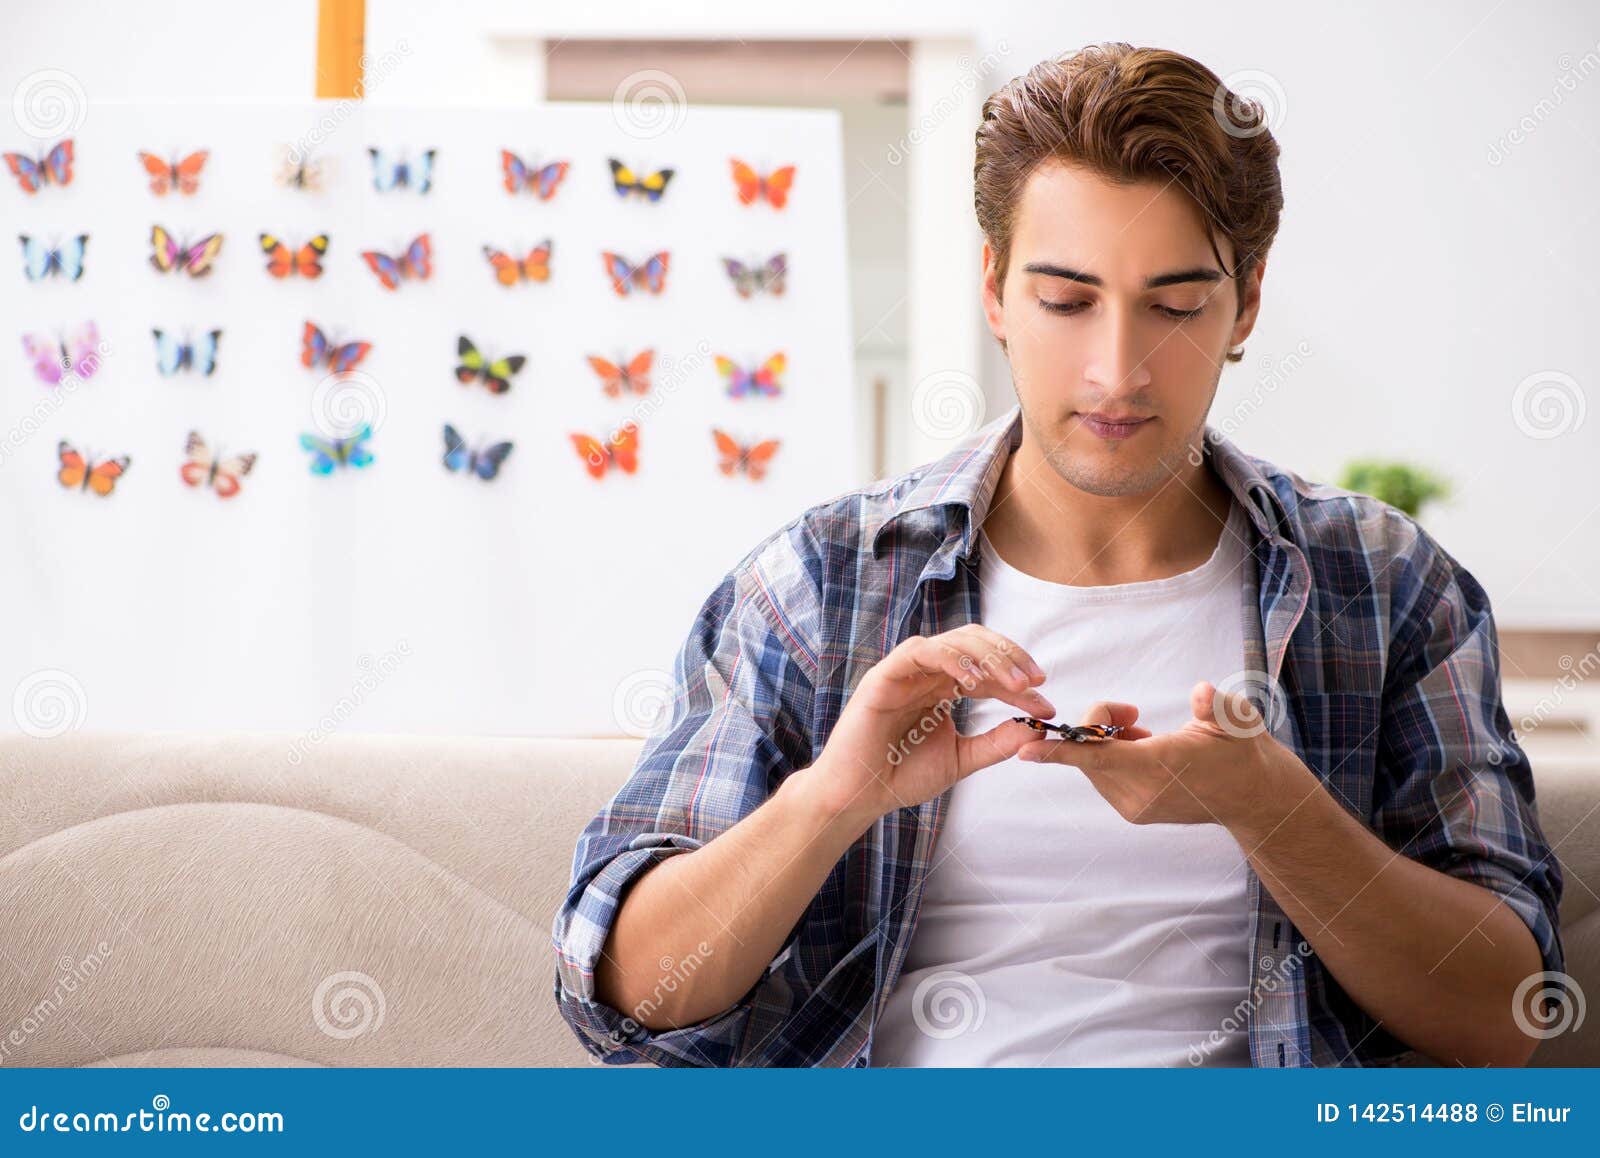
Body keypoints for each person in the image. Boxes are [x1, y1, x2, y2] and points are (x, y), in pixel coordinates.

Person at [552, 42, 1564, 1068]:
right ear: (993, 290)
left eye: (1173, 306)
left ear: (1245, 304)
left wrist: (1272, 809)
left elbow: (1504, 1025)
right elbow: (624, 1000)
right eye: (1066, 301)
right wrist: (831, 799)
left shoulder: (1384, 586)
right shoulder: (821, 581)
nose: (1116, 370)